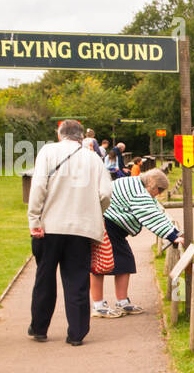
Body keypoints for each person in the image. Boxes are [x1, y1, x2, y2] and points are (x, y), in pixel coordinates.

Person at [26, 119, 112, 345]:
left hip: (49, 227)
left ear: (59, 134)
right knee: (77, 280)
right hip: (81, 228)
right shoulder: (94, 158)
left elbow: (38, 187)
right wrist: (94, 212)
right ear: (81, 136)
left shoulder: (48, 152)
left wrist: (34, 219)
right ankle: (77, 333)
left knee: (44, 278)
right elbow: (105, 194)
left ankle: (39, 328)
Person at [90, 168, 184, 317]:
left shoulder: (136, 184)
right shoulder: (138, 192)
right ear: (152, 185)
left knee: (124, 262)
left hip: (111, 226)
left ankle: (121, 302)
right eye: (159, 189)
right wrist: (173, 236)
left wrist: (175, 232)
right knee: (100, 264)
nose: (159, 193)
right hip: (107, 225)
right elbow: (151, 215)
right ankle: (99, 305)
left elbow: (156, 210)